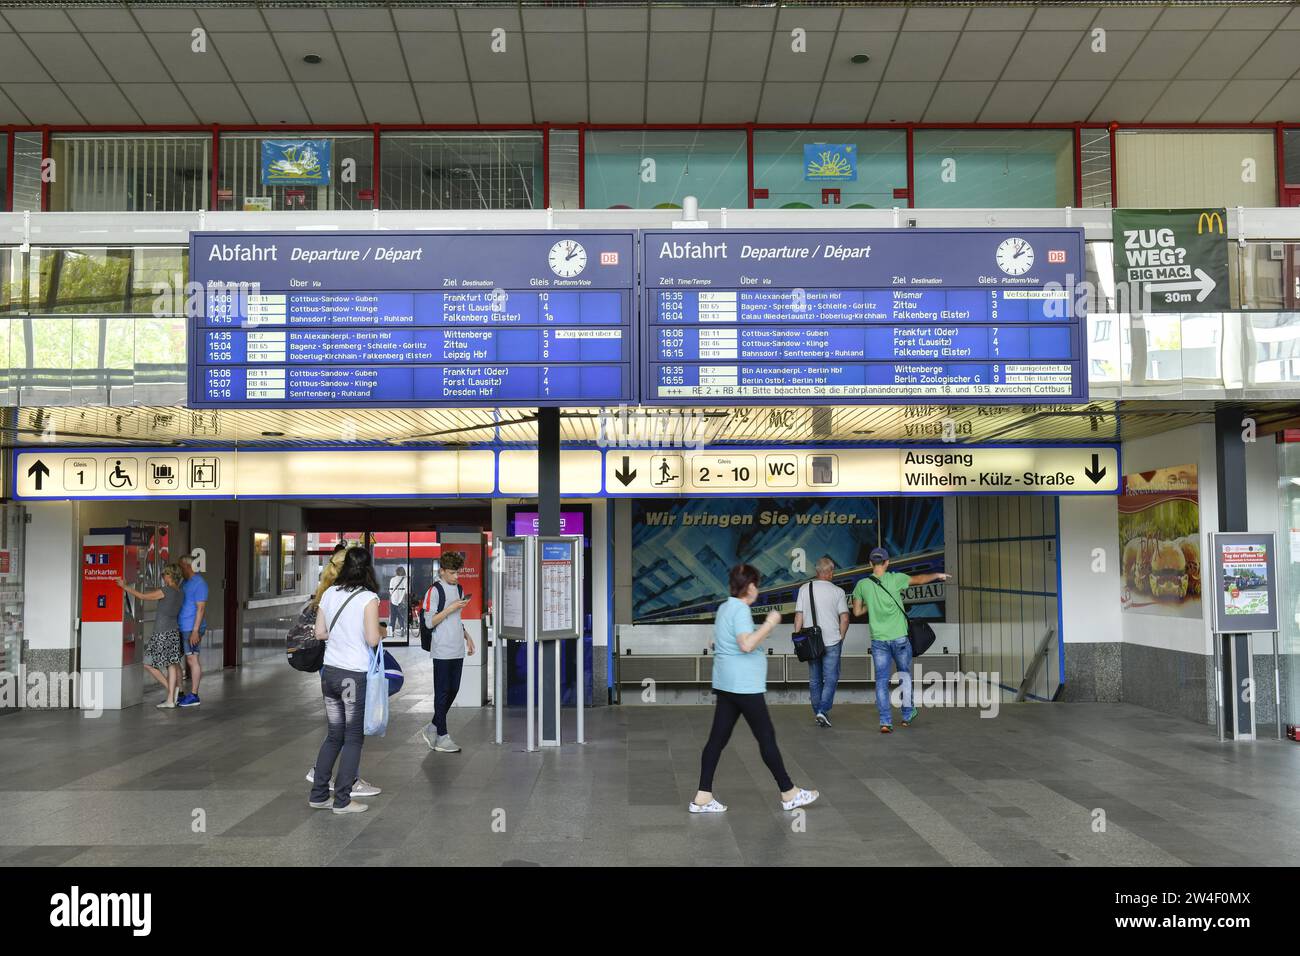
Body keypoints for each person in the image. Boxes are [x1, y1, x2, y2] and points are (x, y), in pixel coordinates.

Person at [690, 564, 819, 814]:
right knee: (766, 737)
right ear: (750, 587)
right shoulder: (739, 610)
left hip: (727, 684)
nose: (757, 588)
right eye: (756, 584)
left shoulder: (725, 607)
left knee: (717, 739)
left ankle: (703, 796)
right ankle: (789, 793)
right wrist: (770, 624)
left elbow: (715, 640)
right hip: (744, 687)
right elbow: (746, 644)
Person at [310, 546, 383, 814]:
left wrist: (340, 635)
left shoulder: (329, 593)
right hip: (353, 676)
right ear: (368, 568)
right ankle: (342, 799)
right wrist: (380, 631)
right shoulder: (369, 598)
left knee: (334, 735)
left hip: (329, 672)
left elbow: (320, 633)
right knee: (353, 737)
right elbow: (373, 638)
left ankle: (318, 794)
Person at [851, 547, 950, 734]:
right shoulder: (896, 578)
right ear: (887, 563)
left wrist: (871, 605)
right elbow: (919, 579)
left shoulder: (862, 585)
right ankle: (906, 715)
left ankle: (885, 722)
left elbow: (856, 612)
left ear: (870, 564)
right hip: (899, 638)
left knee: (881, 681)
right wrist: (938, 574)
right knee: (904, 674)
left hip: (879, 640)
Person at [419, 551, 474, 754]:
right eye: (452, 573)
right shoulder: (434, 591)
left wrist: (467, 636)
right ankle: (442, 735)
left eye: (457, 573)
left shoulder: (458, 588)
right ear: (441, 571)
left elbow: (456, 620)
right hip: (441, 649)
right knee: (442, 692)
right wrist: (450, 608)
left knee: (453, 689)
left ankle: (433, 726)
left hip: (457, 647)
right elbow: (429, 621)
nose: (456, 577)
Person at [117, 563, 185, 709]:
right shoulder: (180, 592)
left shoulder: (166, 590)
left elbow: (143, 596)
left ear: (170, 576)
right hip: (173, 631)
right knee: (171, 664)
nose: (163, 576)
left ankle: (172, 693)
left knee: (148, 663)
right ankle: (171, 698)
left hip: (162, 632)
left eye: (164, 574)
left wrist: (125, 587)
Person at [793, 556, 850, 728]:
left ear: (817, 572)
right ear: (830, 572)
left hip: (811, 641)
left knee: (815, 679)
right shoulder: (838, 592)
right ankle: (822, 711)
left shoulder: (804, 588)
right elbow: (845, 618)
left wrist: (798, 640)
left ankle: (818, 710)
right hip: (832, 640)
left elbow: (798, 617)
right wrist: (841, 637)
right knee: (831, 678)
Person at [176, 554, 208, 707]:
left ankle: (194, 695)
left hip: (192, 628)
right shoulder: (184, 582)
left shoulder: (199, 583)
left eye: (181, 566)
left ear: (187, 566)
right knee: (176, 660)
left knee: (192, 659)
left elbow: (201, 608)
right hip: (182, 627)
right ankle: (179, 693)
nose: (179, 569)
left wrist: (196, 630)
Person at [387, 566, 408, 639]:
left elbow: (390, 590)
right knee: (401, 616)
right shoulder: (406, 579)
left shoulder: (393, 579)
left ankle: (391, 632)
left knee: (393, 617)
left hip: (393, 601)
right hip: (401, 601)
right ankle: (402, 629)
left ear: (396, 572)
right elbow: (406, 591)